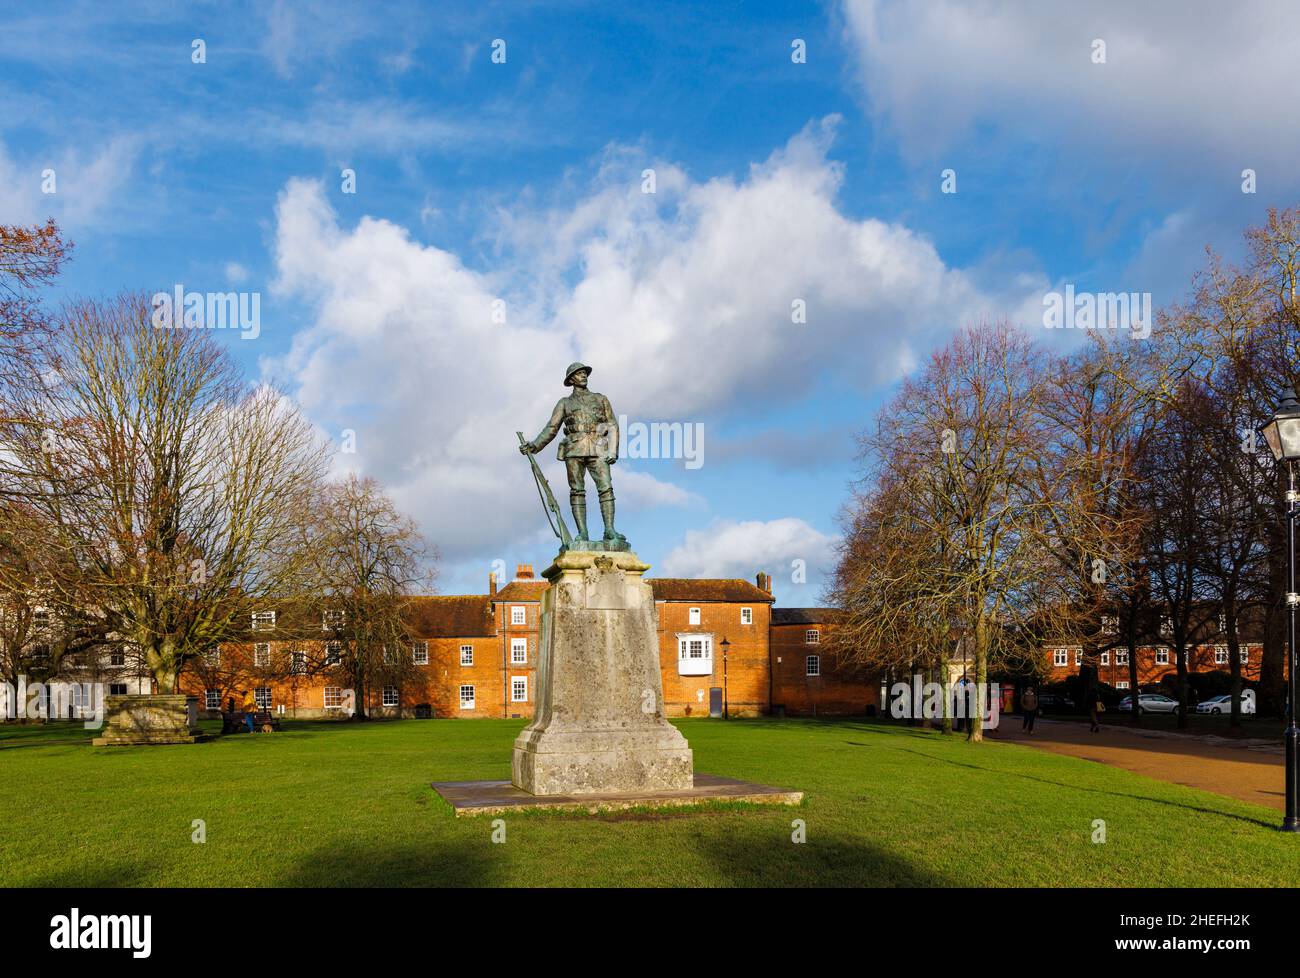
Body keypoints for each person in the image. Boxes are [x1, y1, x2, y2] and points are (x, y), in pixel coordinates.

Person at [519, 362, 626, 545]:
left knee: (606, 488)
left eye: (585, 373)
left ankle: (609, 530)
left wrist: (613, 450)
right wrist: (534, 446)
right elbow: (551, 428)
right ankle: (582, 534)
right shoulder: (565, 403)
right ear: (571, 380)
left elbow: (612, 424)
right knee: (577, 491)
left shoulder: (601, 399)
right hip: (574, 448)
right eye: (579, 374)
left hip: (598, 446)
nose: (583, 376)